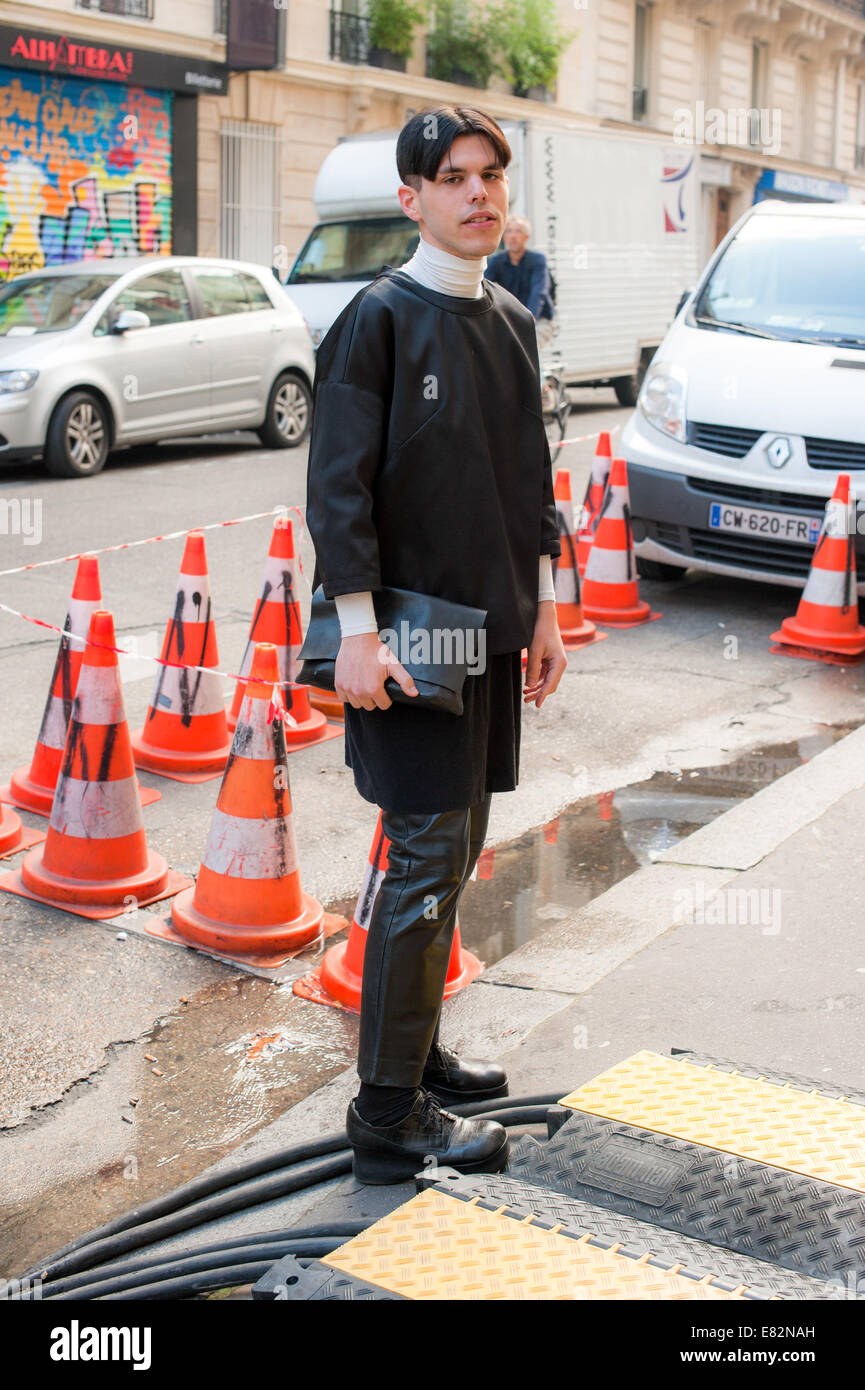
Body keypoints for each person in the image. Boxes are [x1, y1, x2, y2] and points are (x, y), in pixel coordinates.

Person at [305, 105, 567, 1185]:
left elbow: (526, 482)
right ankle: (385, 1115)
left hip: (489, 635)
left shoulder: (507, 317)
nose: (477, 193)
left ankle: (410, 1055)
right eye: (452, 177)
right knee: (419, 859)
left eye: (489, 175)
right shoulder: (374, 319)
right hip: (408, 638)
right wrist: (356, 635)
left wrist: (544, 610)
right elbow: (336, 489)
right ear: (410, 198)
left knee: (454, 854)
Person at [484, 214, 556, 354]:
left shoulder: (537, 261)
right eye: (509, 231)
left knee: (527, 350)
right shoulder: (496, 262)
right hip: (510, 321)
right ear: (504, 237)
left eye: (518, 231)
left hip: (539, 319)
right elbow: (484, 289)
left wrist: (529, 319)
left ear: (526, 237)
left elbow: (539, 291)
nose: (513, 236)